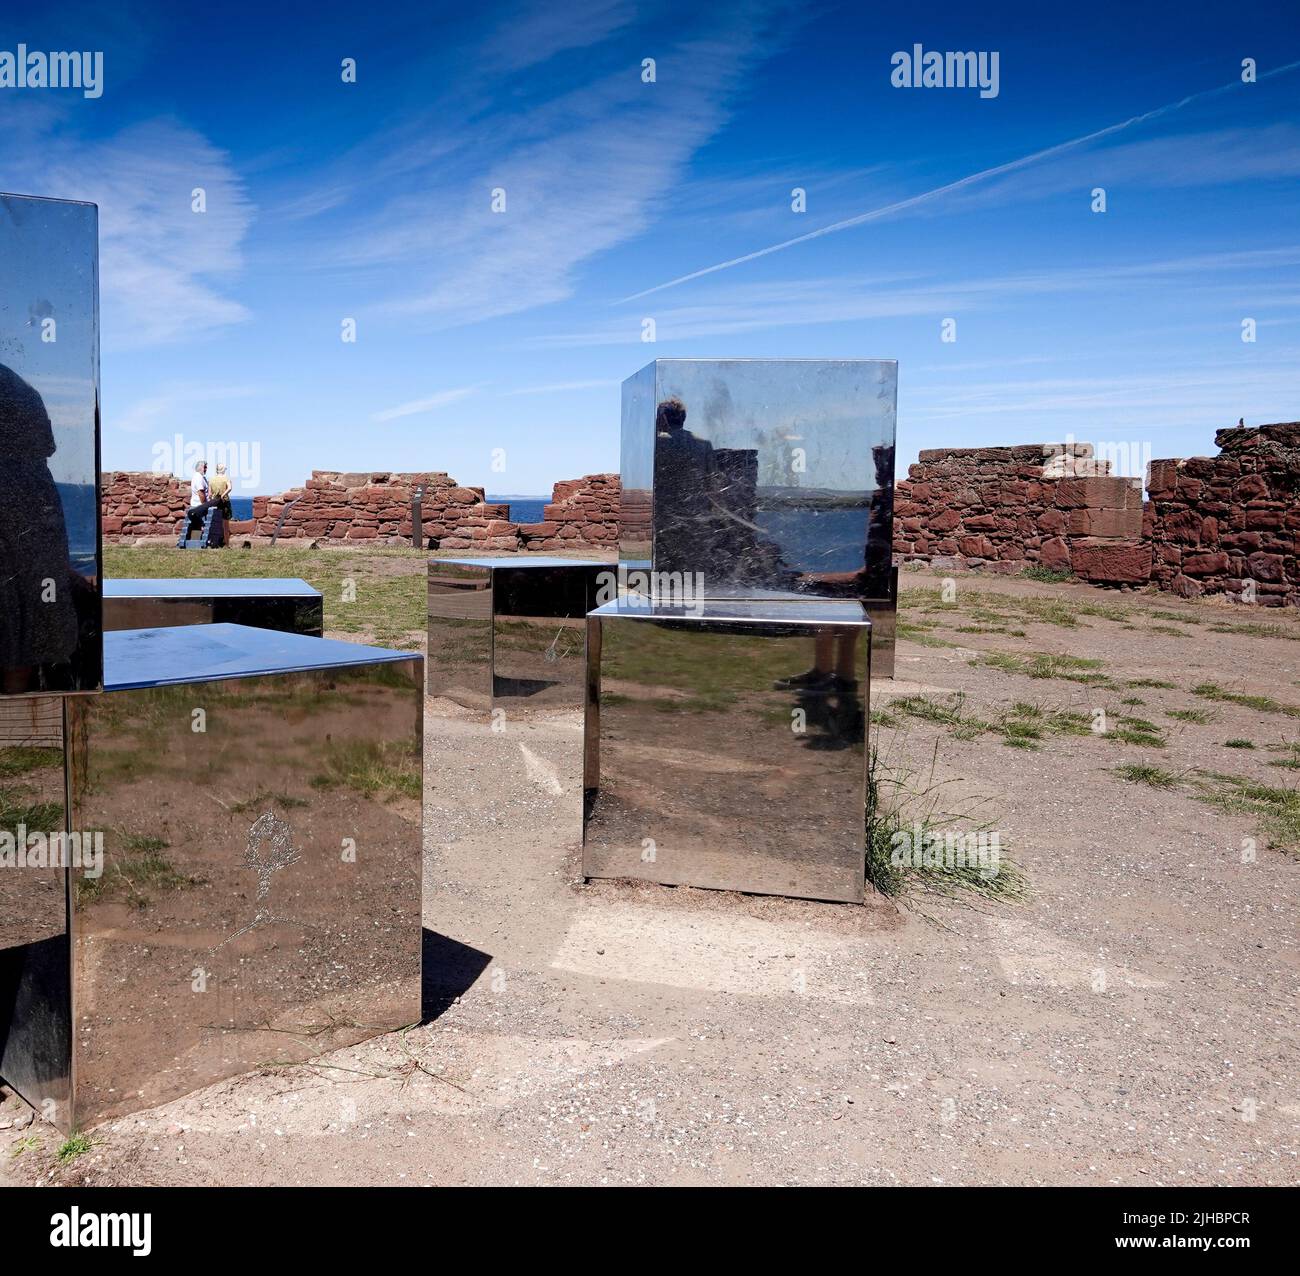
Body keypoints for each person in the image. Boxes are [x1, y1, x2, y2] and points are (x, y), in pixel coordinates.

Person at [184, 460, 225, 546]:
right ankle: (201, 542)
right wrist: (205, 505)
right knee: (200, 525)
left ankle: (197, 541)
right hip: (199, 505)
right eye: (205, 467)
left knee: (198, 525)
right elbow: (201, 493)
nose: (206, 469)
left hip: (198, 506)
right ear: (200, 468)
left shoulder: (201, 477)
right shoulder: (198, 477)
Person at [209, 463, 234, 533]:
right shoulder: (226, 478)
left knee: (216, 520)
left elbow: (209, 494)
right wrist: (223, 495)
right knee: (226, 521)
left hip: (215, 502)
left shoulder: (211, 479)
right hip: (224, 501)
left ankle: (216, 539)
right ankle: (225, 540)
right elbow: (230, 488)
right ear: (223, 470)